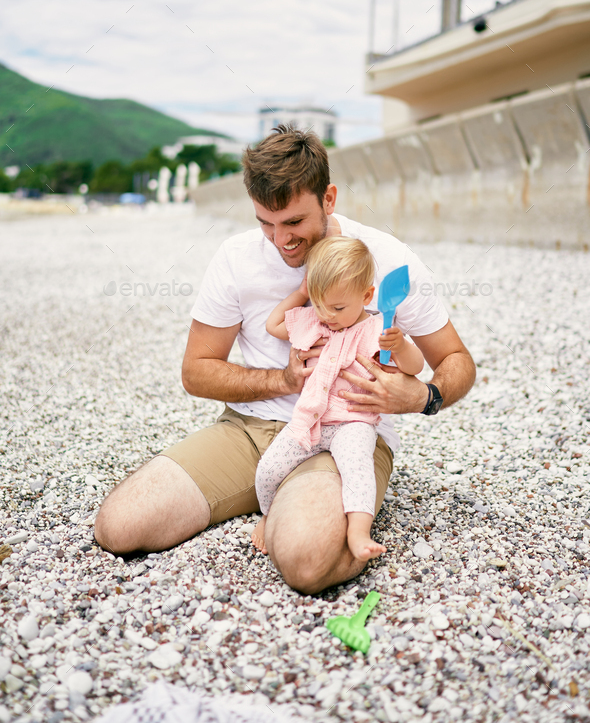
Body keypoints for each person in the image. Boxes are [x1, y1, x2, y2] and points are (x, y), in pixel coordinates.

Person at [94, 126, 476, 595]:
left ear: (329, 198)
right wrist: (283, 379)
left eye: (294, 222)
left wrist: (423, 396)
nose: (280, 240)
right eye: (265, 223)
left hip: (347, 436)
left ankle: (301, 508)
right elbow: (196, 371)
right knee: (119, 528)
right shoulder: (236, 259)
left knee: (305, 563)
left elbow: (456, 359)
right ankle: (276, 498)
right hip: (250, 431)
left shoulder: (388, 260)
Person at [252, 236, 425, 561]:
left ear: (367, 296)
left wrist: (400, 346)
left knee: (357, 469)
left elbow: (415, 368)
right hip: (309, 421)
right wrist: (304, 294)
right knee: (268, 469)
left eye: (338, 307)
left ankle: (358, 531)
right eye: (319, 304)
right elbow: (273, 324)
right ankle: (267, 514)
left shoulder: (377, 329)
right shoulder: (315, 321)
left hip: (354, 422)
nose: (327, 315)